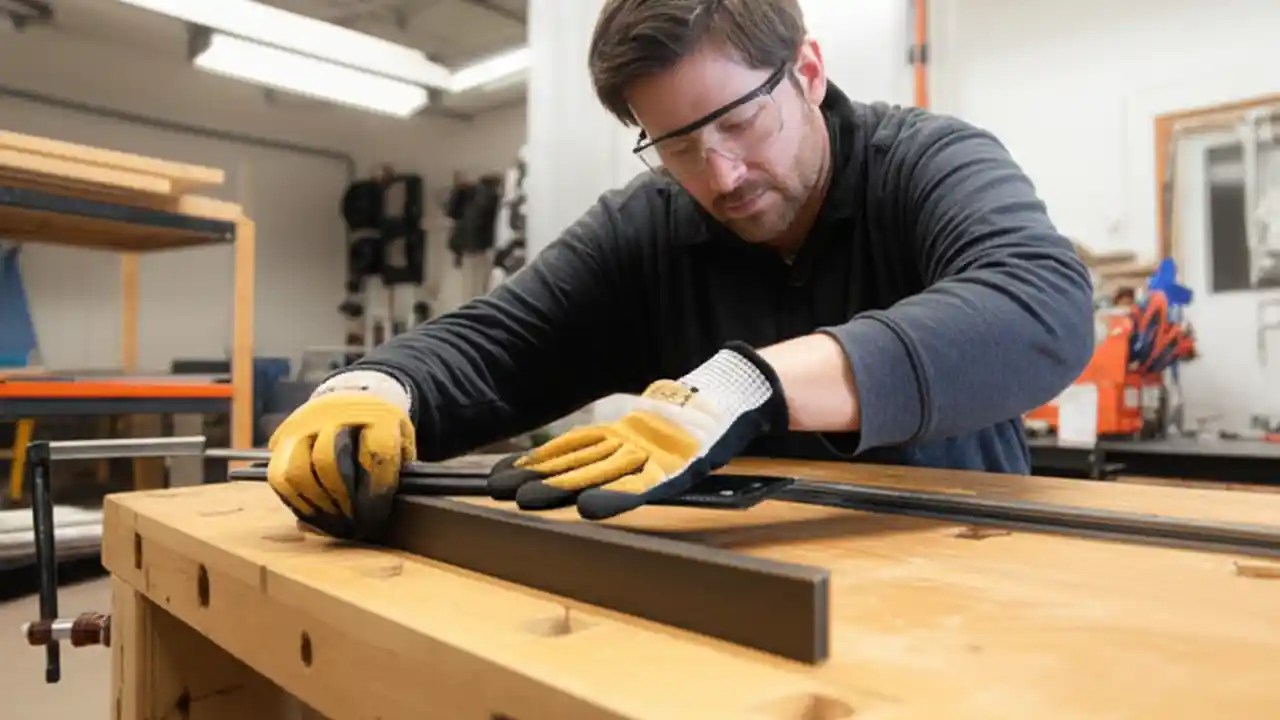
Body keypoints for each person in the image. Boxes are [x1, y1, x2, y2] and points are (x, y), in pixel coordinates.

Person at [266, 0, 1094, 540]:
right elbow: (501, 343)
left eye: (739, 123)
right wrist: (370, 390)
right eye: (678, 146)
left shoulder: (926, 162)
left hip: (970, 568)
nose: (721, 176)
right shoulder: (649, 230)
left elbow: (1039, 306)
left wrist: (751, 384)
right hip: (741, 593)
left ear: (807, 72)